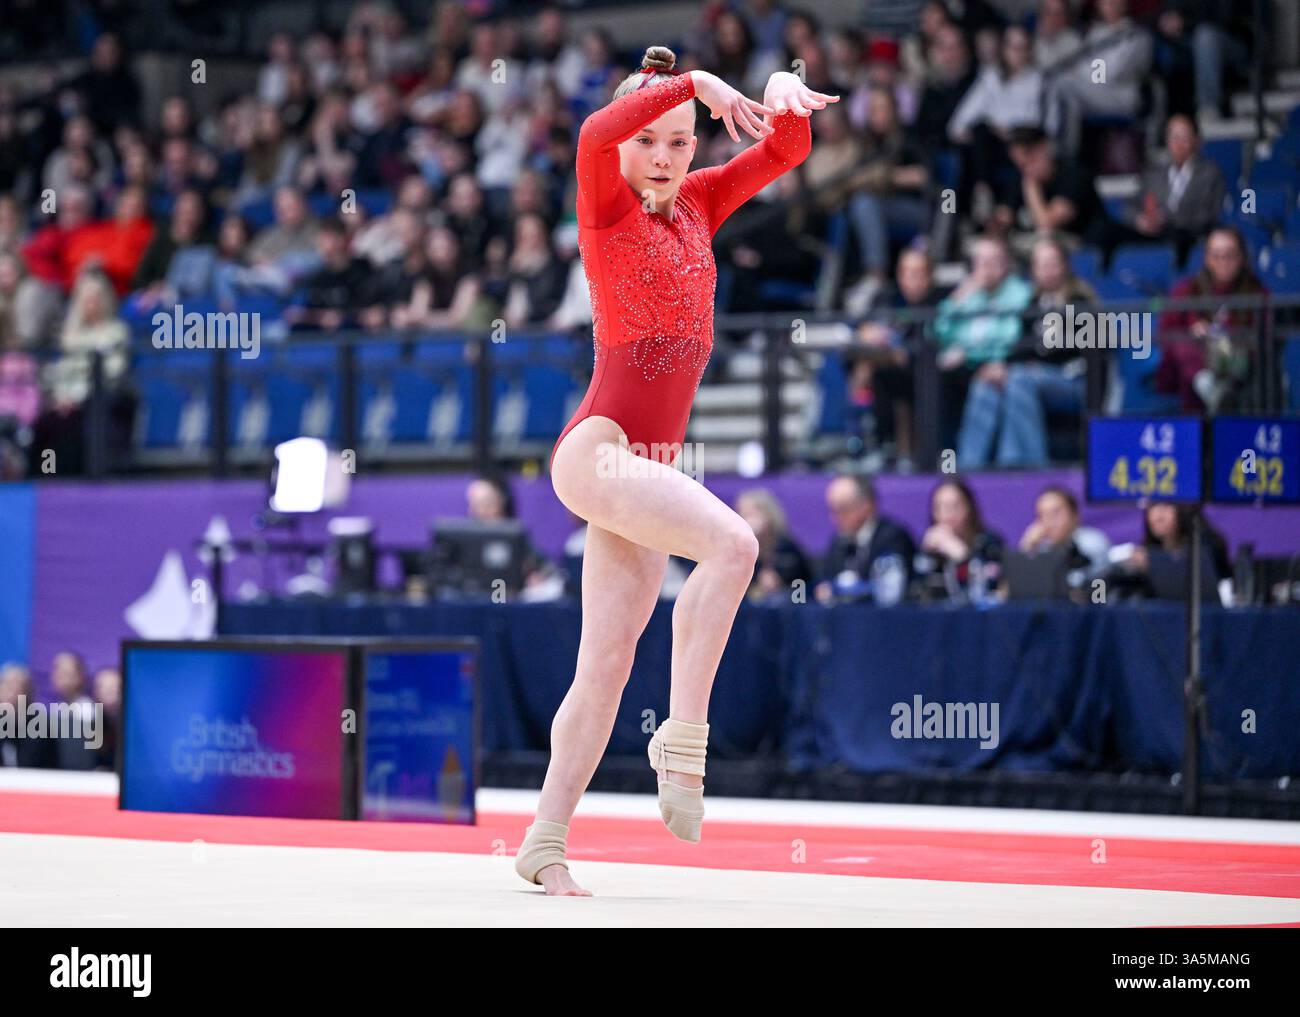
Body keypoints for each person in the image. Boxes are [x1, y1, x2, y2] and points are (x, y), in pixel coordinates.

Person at [518, 46, 835, 895]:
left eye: (681, 143)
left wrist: (778, 100)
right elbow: (589, 130)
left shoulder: (698, 202)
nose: (665, 158)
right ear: (627, 147)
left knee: (608, 666)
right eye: (651, 140)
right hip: (599, 449)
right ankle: (682, 742)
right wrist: (691, 83)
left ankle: (543, 842)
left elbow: (785, 152)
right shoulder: (605, 203)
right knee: (734, 546)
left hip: (647, 464)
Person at [956, 235, 1094, 468]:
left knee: (1019, 379)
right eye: (1042, 265)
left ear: (1065, 266)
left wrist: (1034, 364)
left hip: (1075, 382)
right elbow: (1023, 346)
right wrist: (1000, 367)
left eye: (1053, 263)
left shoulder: (1081, 302)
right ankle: (968, 467)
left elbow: (1077, 353)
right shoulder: (1033, 302)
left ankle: (1028, 465)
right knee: (987, 383)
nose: (1048, 271)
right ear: (1034, 270)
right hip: (1035, 376)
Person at [1156, 226, 1269, 413]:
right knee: (1182, 341)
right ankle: (1211, 390)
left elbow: (1263, 337)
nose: (1223, 262)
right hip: (1192, 373)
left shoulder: (1256, 292)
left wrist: (1226, 338)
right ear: (1207, 259)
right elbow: (1165, 333)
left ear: (1241, 257)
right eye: (1216, 256)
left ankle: (1219, 394)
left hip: (1236, 366)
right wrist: (1196, 333)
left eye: (1229, 255)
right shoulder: (1186, 290)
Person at [815, 473, 916, 605]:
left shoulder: (893, 537)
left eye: (842, 509)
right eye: (832, 510)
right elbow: (825, 582)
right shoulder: (838, 541)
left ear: (867, 505)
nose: (834, 519)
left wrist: (847, 590)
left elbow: (890, 592)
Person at [913, 478, 1004, 603]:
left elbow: (987, 591)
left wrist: (963, 557)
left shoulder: (989, 544)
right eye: (941, 507)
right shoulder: (930, 547)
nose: (949, 513)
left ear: (970, 508)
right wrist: (925, 555)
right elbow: (915, 594)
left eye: (956, 506)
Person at [735, 488, 812, 603]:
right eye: (743, 514)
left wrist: (779, 579)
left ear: (768, 515)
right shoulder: (739, 548)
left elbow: (805, 580)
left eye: (751, 514)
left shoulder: (785, 545)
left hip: (787, 605)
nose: (747, 520)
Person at [1017, 485, 1110, 576]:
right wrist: (1027, 545)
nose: (1049, 521)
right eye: (1042, 515)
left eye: (1056, 513)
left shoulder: (1092, 542)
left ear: (1074, 514)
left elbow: (1095, 585)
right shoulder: (1041, 549)